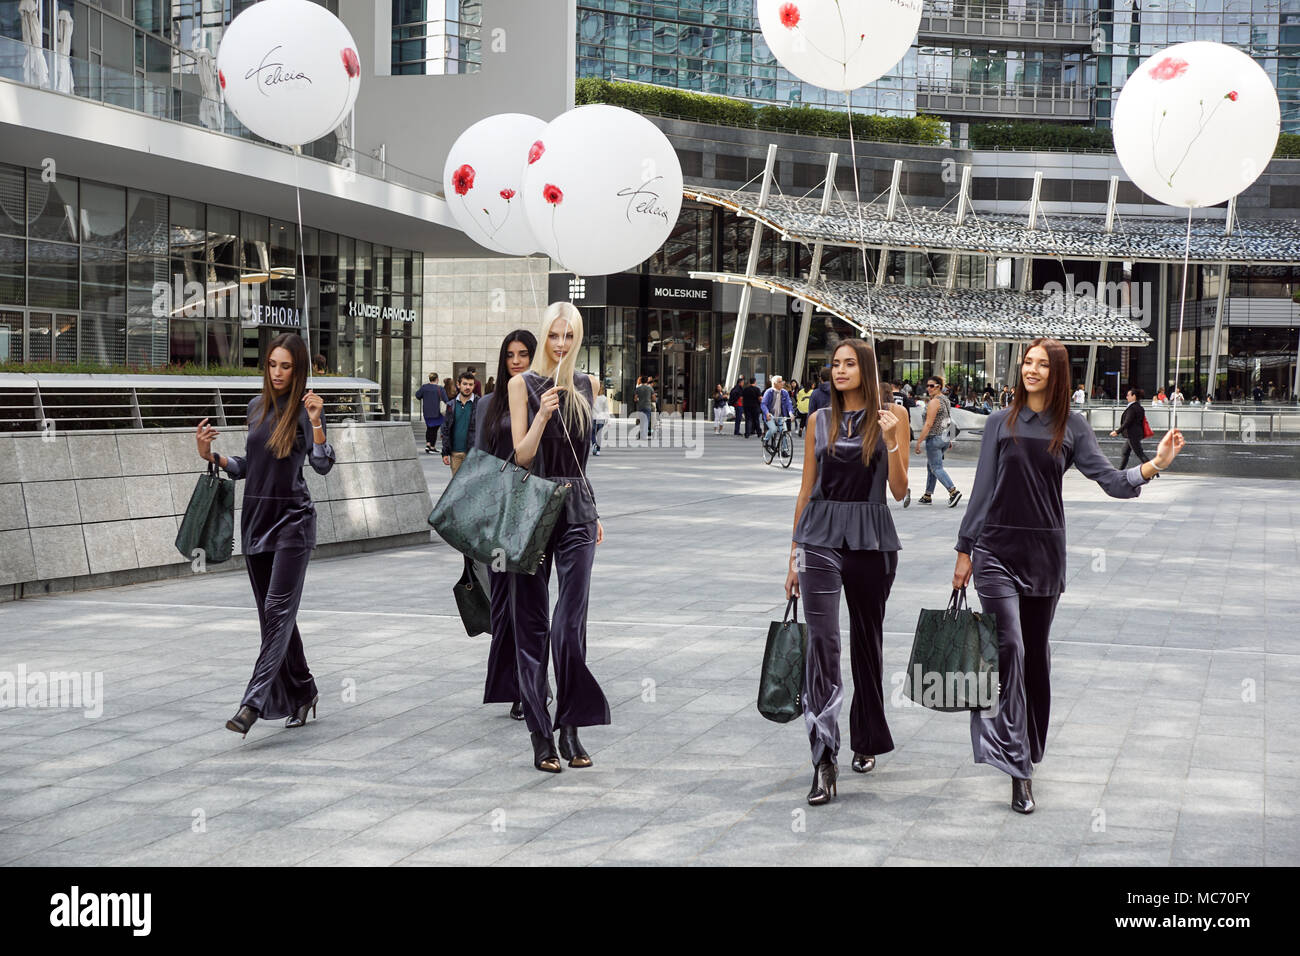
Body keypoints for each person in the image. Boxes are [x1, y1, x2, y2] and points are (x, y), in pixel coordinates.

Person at [953, 338, 1185, 814]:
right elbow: (980, 493)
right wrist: (964, 550)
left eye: (1041, 364)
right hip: (995, 551)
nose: (1031, 370)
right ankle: (1018, 766)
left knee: (1035, 655)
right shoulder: (1001, 422)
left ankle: (1029, 745)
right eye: (1027, 361)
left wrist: (1154, 466)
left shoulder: (1072, 426)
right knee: (1010, 648)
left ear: (1057, 373)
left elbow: (1113, 482)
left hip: (1043, 556)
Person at [785, 339, 910, 806]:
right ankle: (824, 756)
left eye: (849, 363)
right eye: (834, 363)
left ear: (867, 369)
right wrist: (793, 553)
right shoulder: (818, 421)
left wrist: (895, 440)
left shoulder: (893, 416)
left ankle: (868, 739)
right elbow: (805, 488)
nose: (839, 370)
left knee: (866, 643)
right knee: (823, 643)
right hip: (820, 536)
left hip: (872, 538)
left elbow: (900, 490)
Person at [194, 332, 335, 737]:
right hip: (255, 520)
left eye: (286, 366)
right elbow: (247, 466)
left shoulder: (309, 410)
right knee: (274, 617)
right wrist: (213, 457)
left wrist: (316, 424)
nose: (277, 372)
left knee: (277, 612)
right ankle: (304, 689)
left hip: (293, 522)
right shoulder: (256, 408)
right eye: (272, 364)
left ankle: (252, 704)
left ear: (299, 369)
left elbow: (323, 465)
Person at [509, 302, 610, 773]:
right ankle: (540, 734)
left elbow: (584, 460)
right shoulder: (521, 384)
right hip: (533, 510)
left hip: (577, 513)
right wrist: (542, 416)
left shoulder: (588, 386)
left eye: (569, 337)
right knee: (532, 625)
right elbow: (523, 456)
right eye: (553, 335)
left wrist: (594, 511)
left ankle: (570, 725)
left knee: (571, 625)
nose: (560, 345)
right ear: (543, 336)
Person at [475, 330, 537, 723]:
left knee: (528, 604)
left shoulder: (543, 399)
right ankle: (512, 685)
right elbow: (481, 457)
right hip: (498, 511)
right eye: (510, 355)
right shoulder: (487, 404)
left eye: (524, 354)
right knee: (501, 603)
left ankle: (529, 688)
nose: (516, 361)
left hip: (532, 510)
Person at [914, 375, 962, 507]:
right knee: (932, 466)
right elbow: (948, 419)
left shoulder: (934, 402)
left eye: (931, 386)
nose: (928, 388)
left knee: (936, 467)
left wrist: (919, 441)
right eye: (927, 386)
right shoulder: (945, 399)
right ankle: (927, 495)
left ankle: (953, 491)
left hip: (934, 438)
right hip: (945, 437)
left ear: (938, 386)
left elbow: (929, 424)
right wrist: (949, 439)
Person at [440, 372, 477, 475]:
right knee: (457, 487)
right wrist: (445, 452)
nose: (467, 387)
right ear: (458, 384)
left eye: (470, 384)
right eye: (465, 384)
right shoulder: (451, 405)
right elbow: (445, 429)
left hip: (473, 454)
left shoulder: (480, 404)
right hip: (455, 453)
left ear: (474, 386)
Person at [1110, 387, 1150, 469]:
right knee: (1125, 452)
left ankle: (1153, 470)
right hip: (1134, 434)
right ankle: (1120, 470)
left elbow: (1127, 422)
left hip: (1132, 434)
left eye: (1128, 395)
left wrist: (1117, 431)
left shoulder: (1132, 408)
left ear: (1134, 396)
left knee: (1140, 454)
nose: (1126, 397)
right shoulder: (1139, 407)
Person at [414, 372, 447, 455]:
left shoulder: (424, 387)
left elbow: (418, 396)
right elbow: (446, 400)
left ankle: (429, 445)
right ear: (437, 379)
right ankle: (431, 446)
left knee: (430, 428)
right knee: (434, 428)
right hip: (435, 412)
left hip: (426, 412)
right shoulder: (439, 388)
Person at [761, 375, 794, 445]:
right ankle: (765, 440)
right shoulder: (768, 392)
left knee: (784, 431)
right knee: (773, 429)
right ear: (774, 383)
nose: (782, 383)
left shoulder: (784, 392)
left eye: (782, 381)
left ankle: (784, 450)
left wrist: (791, 413)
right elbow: (763, 404)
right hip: (770, 416)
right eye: (780, 382)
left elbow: (789, 404)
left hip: (780, 416)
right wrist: (767, 413)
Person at [592, 387, 610, 454]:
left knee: (593, 433)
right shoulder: (604, 398)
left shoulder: (592, 397)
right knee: (599, 434)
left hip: (593, 417)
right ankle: (598, 450)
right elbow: (606, 409)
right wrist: (607, 419)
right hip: (601, 418)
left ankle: (594, 444)